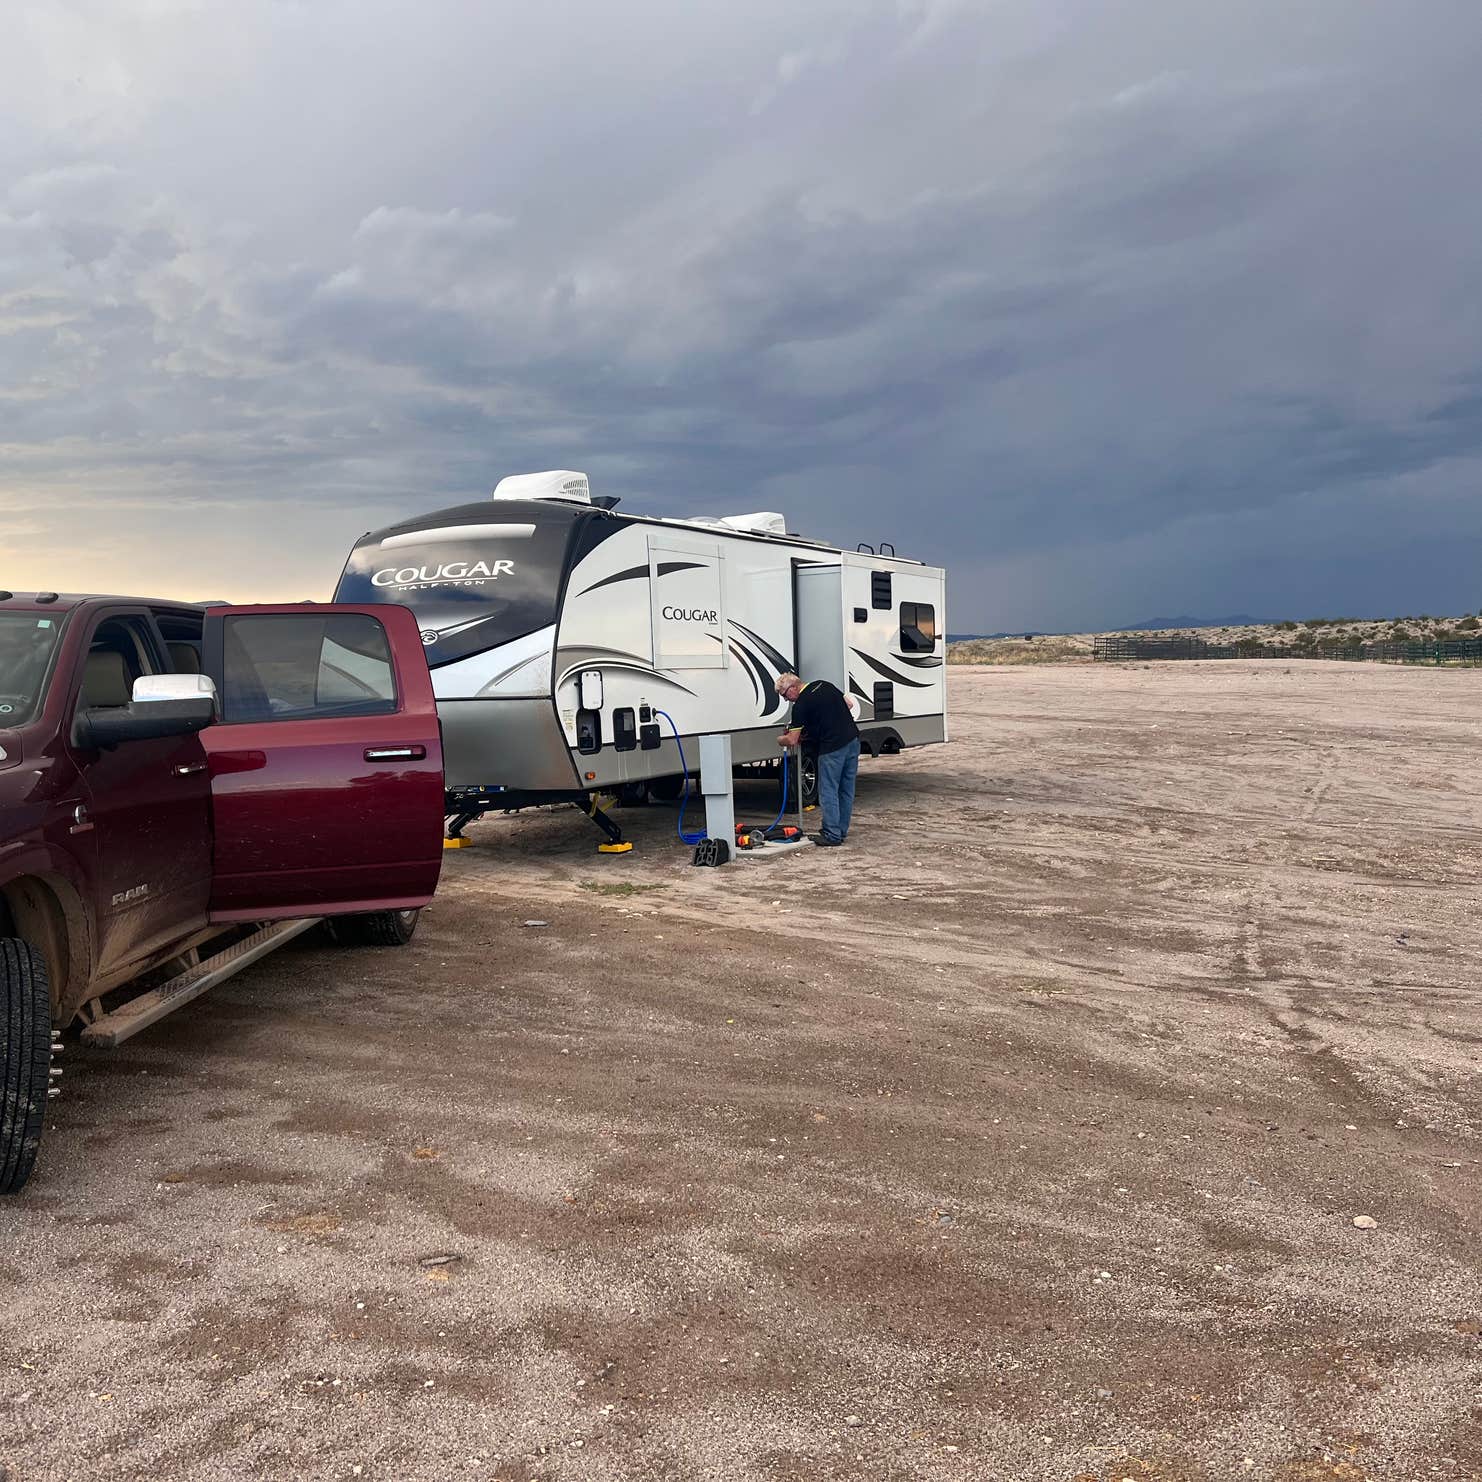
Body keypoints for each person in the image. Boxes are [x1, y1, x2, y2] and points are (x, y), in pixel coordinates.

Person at [775, 672, 860, 847]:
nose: (785, 700)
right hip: (853, 741)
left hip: (832, 748)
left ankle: (831, 834)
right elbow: (849, 704)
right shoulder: (824, 684)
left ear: (792, 688)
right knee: (846, 789)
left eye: (784, 695)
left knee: (828, 790)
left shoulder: (800, 705)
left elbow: (792, 739)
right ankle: (840, 831)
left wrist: (779, 740)